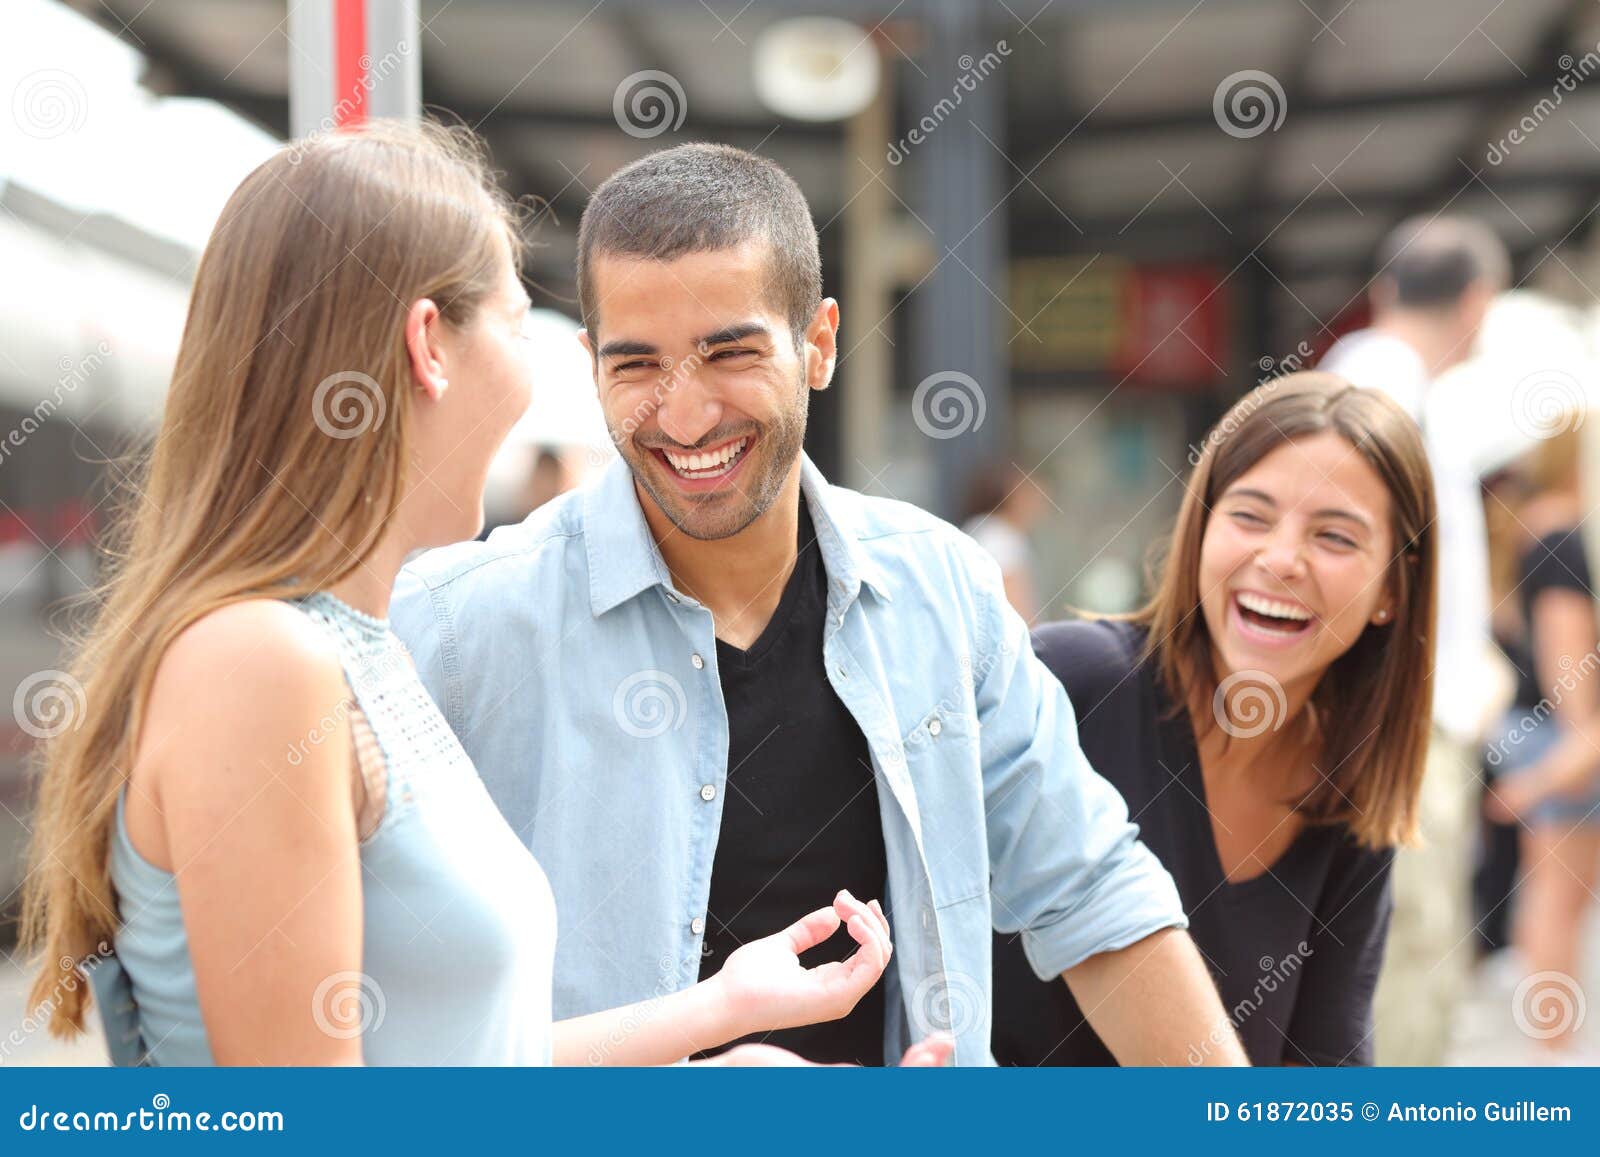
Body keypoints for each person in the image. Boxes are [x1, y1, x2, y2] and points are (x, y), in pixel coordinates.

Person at [17, 121, 950, 1069]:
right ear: (430, 343)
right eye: (515, 321)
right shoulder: (264, 665)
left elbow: (461, 1058)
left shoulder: (351, 647)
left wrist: (722, 1026)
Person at [390, 141, 1245, 1067]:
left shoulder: (942, 592)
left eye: (730, 352)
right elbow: (382, 1032)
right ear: (591, 363)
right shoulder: (452, 626)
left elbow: (1092, 891)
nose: (684, 417)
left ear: (821, 343)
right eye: (637, 366)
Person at [991, 374, 1436, 1066]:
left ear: (1392, 591)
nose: (1281, 560)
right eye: (1250, 516)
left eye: (1336, 536)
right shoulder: (1074, 681)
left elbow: (1329, 1072)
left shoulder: (1348, 796)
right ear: (1199, 530)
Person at [1318, 214, 1511, 1064]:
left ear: (1387, 287)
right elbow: (1355, 556)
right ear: (1476, 301)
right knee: (1404, 941)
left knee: (1418, 938)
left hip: (1416, 713)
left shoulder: (1392, 382)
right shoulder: (1381, 385)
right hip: (1401, 721)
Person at [1482, 424, 1600, 1060]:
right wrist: (1577, 752)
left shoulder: (1535, 525)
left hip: (1547, 734)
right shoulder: (1564, 533)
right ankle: (1553, 1060)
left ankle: (1552, 1052)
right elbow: (1569, 668)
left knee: (1558, 901)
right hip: (1559, 735)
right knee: (1558, 901)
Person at [960, 461, 1047, 620]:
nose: (1039, 501)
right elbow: (1016, 610)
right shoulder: (1001, 538)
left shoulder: (983, 530)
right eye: (1030, 493)